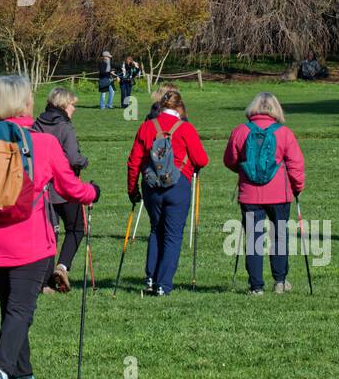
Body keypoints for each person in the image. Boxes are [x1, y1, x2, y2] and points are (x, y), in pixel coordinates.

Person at [0, 75, 100, 379]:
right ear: (24, 102)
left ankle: (24, 374)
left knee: (11, 308)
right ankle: (1, 371)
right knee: (20, 311)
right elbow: (70, 188)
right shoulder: (44, 144)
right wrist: (93, 192)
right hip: (31, 245)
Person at [126, 89, 208, 296]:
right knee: (172, 236)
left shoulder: (146, 127)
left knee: (156, 230)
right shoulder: (185, 128)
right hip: (178, 185)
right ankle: (163, 284)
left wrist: (132, 189)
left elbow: (134, 161)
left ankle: (150, 278)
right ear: (179, 107)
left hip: (151, 186)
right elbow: (201, 159)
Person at [223, 92, 306, 295]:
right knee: (279, 237)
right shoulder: (284, 133)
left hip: (250, 194)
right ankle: (279, 281)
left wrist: (244, 170)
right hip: (279, 193)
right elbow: (296, 164)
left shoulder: (240, 131)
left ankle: (256, 286)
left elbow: (230, 160)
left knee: (253, 238)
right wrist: (297, 187)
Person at [32, 86, 90, 293]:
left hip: (42, 189)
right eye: (73, 104)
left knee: (49, 234)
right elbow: (74, 158)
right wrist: (84, 162)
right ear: (64, 105)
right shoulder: (66, 127)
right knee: (77, 228)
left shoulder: (36, 124)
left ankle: (45, 281)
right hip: (65, 187)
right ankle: (62, 266)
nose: (74, 109)